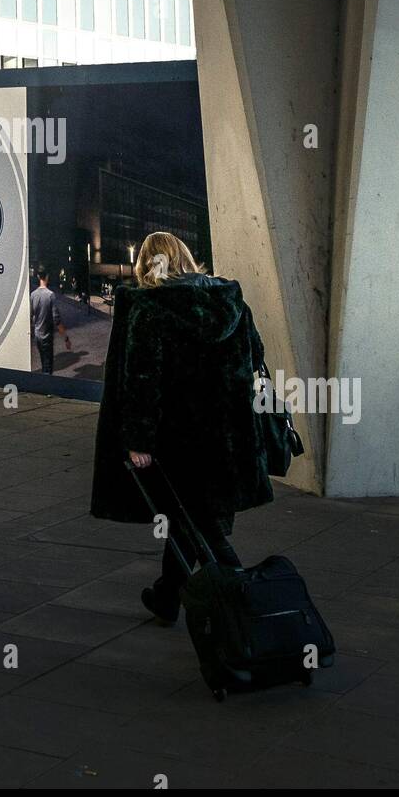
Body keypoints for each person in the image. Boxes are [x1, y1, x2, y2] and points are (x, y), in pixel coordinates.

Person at [90, 231, 272, 626]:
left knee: (200, 526)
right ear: (187, 258)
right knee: (191, 520)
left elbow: (143, 379)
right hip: (228, 441)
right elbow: (255, 355)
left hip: (179, 442)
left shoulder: (149, 307)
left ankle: (252, 605)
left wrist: (138, 439)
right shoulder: (229, 299)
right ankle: (168, 597)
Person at [30, 267, 72, 374]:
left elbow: (31, 316)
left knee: (43, 362)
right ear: (47, 277)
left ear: (38, 276)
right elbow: (56, 319)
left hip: (37, 335)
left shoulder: (33, 295)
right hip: (47, 336)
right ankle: (46, 388)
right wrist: (66, 338)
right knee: (48, 366)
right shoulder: (50, 295)